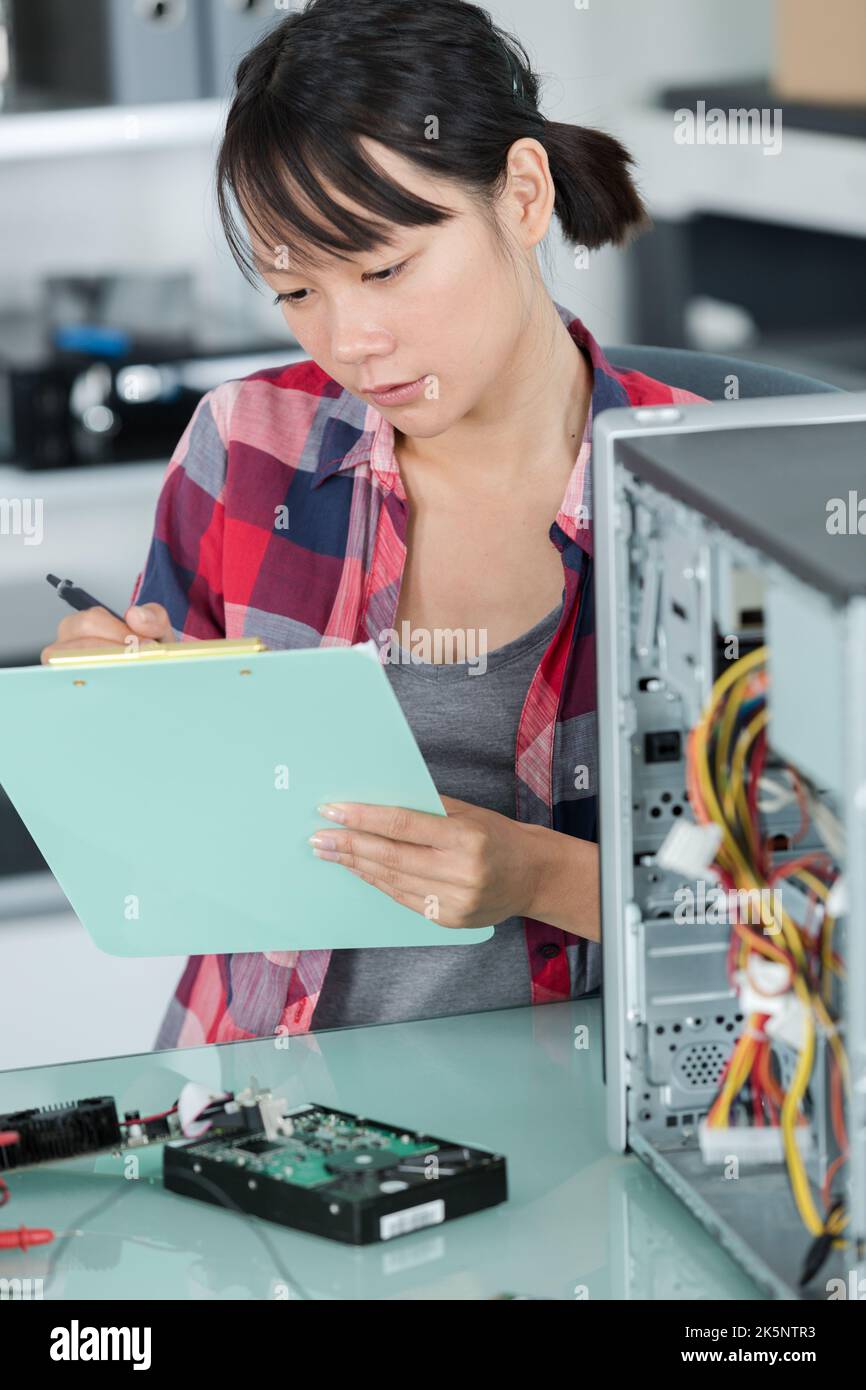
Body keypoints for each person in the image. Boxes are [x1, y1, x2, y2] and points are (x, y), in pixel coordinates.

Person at [41, 0, 707, 1047]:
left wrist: (541, 875)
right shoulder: (247, 445)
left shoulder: (702, 482)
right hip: (258, 1094)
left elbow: (798, 908)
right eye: (296, 289)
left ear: (520, 195)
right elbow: (166, 848)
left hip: (582, 1116)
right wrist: (106, 716)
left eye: (386, 269)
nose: (350, 339)